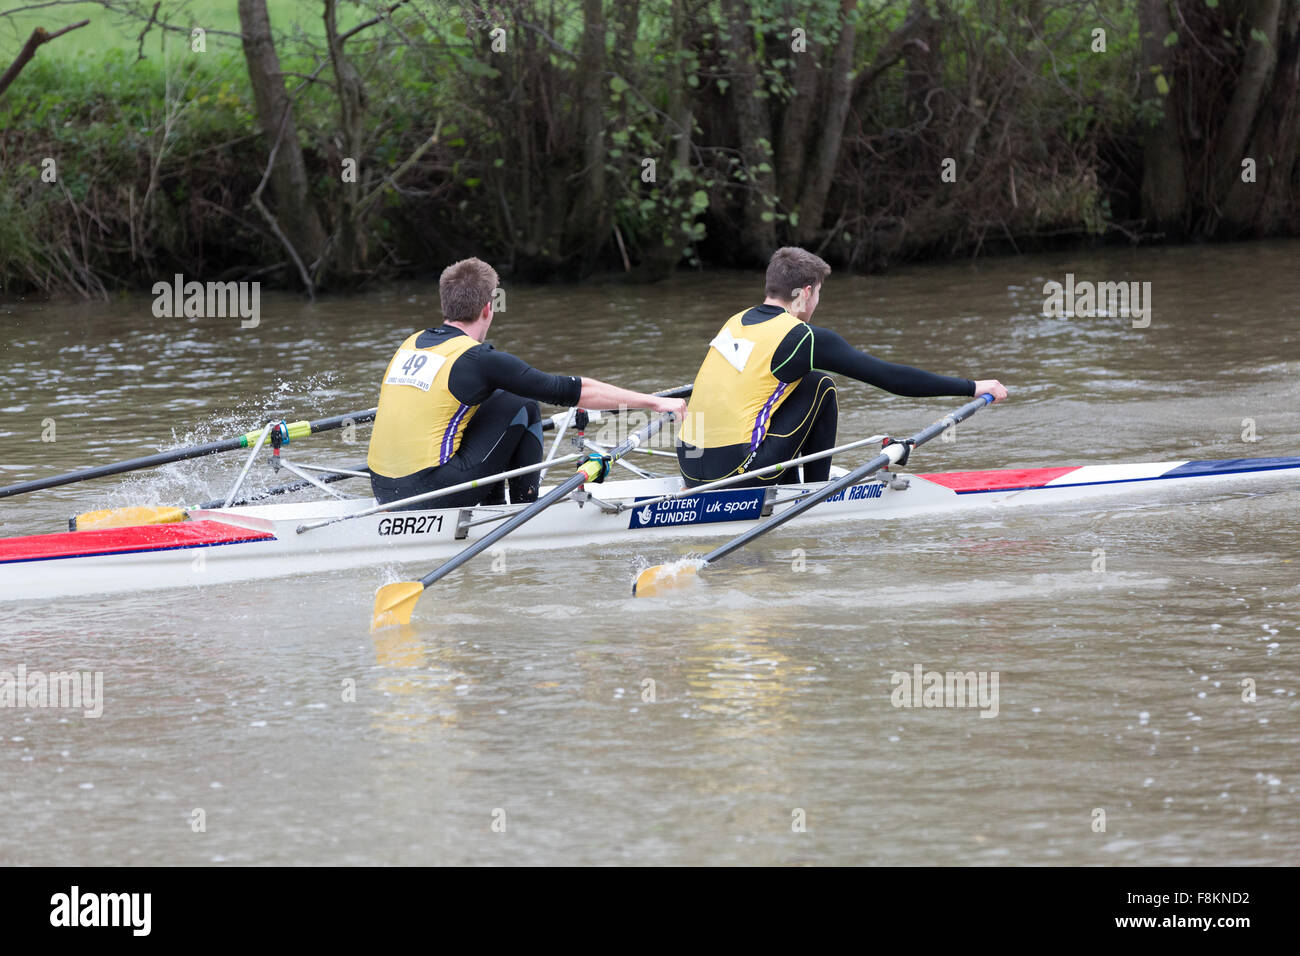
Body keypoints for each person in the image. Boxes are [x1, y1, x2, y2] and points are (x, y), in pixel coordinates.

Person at [367, 257, 685, 508]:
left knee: (489, 401)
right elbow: (570, 391)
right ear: (488, 308)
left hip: (383, 489)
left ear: (444, 304)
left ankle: (491, 505)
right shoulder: (479, 360)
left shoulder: (409, 344)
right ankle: (522, 510)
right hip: (428, 494)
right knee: (522, 403)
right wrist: (655, 402)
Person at [677, 246, 1007, 487]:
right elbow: (891, 378)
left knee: (789, 385)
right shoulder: (801, 337)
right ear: (805, 293)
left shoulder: (734, 323)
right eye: (819, 293)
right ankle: (816, 492)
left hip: (690, 469)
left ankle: (790, 480)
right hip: (734, 475)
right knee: (820, 384)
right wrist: (972, 386)